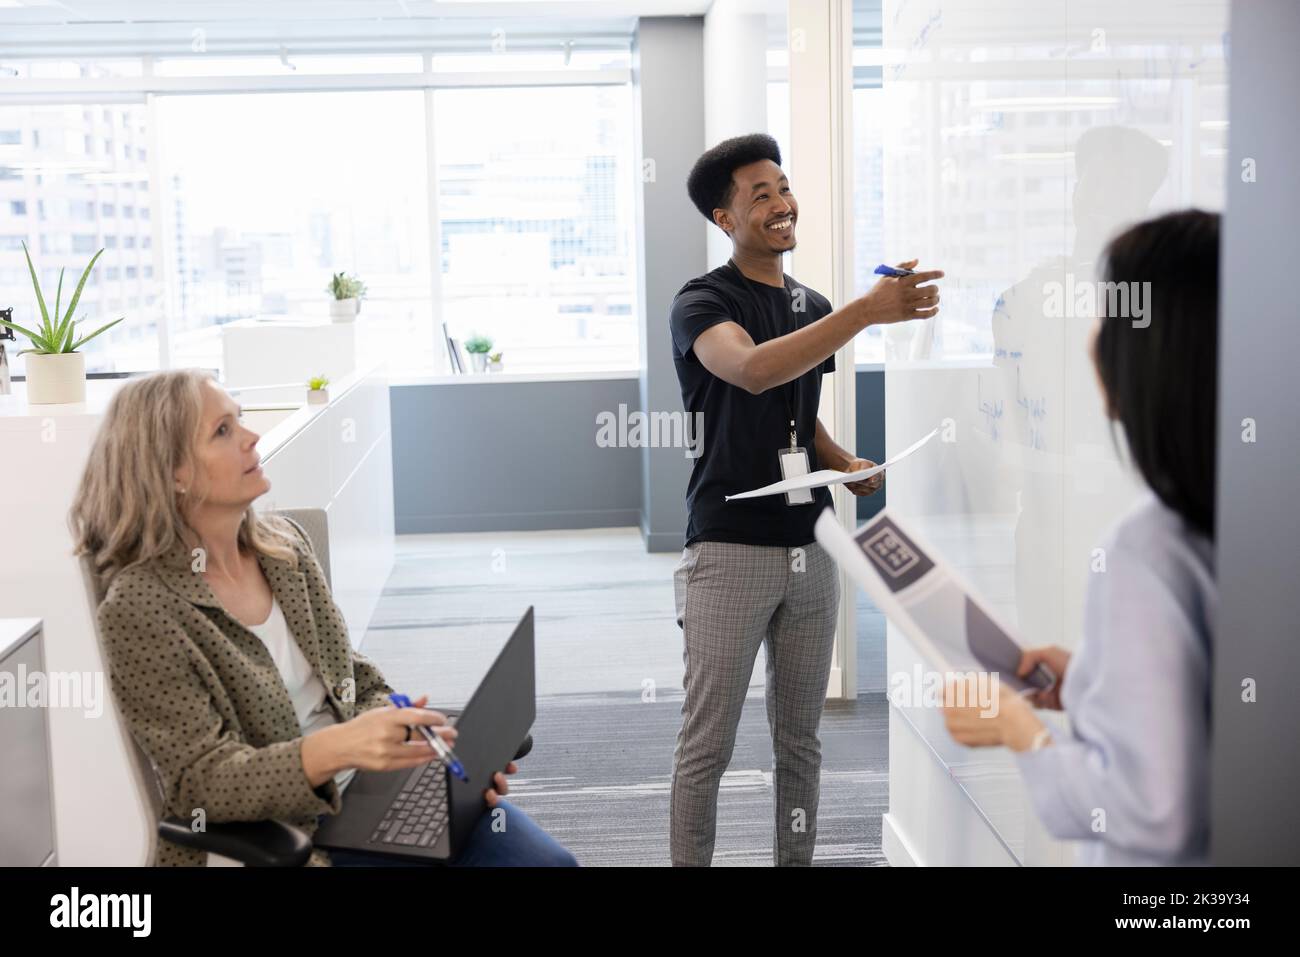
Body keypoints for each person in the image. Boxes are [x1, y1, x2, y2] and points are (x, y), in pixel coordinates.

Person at [70, 369, 576, 867]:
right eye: (223, 431)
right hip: (300, 833)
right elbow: (201, 783)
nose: (252, 438)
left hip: (376, 788)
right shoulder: (142, 607)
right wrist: (337, 749)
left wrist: (427, 747)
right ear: (173, 472)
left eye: (240, 420)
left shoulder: (284, 551)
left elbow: (354, 679)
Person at [669, 133, 943, 865]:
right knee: (709, 745)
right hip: (729, 549)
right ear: (725, 220)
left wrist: (841, 460)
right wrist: (865, 311)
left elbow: (795, 404)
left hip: (812, 548)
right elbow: (754, 371)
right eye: (759, 196)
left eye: (783, 188)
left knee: (801, 738)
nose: (782, 204)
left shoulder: (810, 304)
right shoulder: (702, 302)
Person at [942, 209, 1220, 866]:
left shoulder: (1146, 553)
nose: (1093, 337)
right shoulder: (1248, 516)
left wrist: (1020, 730)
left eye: (1110, 319)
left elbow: (1156, 812)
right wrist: (1096, 678)